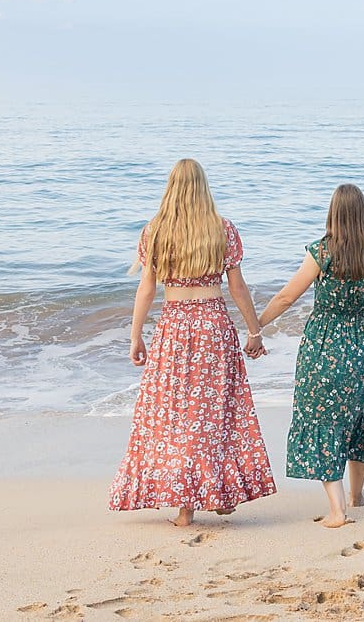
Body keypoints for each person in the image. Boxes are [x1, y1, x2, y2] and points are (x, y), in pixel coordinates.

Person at [108, 158, 276, 526]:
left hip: (174, 329)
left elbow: (147, 288)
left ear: (171, 188)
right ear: (203, 187)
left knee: (176, 416)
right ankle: (218, 490)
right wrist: (254, 330)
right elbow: (237, 287)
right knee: (216, 414)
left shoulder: (155, 231)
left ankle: (186, 508)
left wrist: (136, 336)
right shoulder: (222, 229)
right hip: (213, 326)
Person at [257, 184, 364, 527]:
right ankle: (357, 494)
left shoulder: (321, 253)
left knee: (322, 422)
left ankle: (337, 508)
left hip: (323, 344)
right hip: (361, 344)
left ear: (333, 214)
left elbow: (287, 297)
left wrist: (255, 325)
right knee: (359, 419)